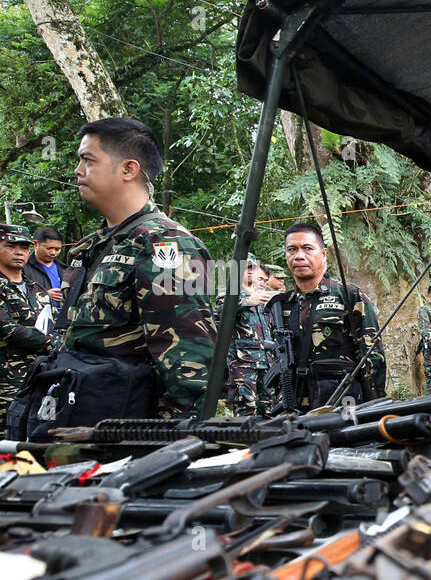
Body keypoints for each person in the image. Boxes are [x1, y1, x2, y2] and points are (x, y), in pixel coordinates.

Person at [15, 118, 216, 430]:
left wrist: (181, 444)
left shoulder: (165, 244)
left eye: (88, 160)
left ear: (128, 169)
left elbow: (186, 366)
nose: (78, 171)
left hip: (126, 433)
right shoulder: (88, 248)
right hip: (75, 418)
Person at [271, 221, 386, 410]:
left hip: (341, 403)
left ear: (323, 254)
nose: (299, 256)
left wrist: (375, 405)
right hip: (293, 405)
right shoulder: (281, 304)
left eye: (307, 248)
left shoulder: (349, 296)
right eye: (292, 249)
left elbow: (372, 357)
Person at [0, 224, 51, 427]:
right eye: (11, 246)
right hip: (6, 380)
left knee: (35, 432)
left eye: (24, 247)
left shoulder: (36, 288)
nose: (19, 252)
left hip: (39, 374)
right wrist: (51, 342)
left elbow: (53, 320)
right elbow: (7, 328)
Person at [226, 260, 277, 416]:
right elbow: (221, 314)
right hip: (243, 363)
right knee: (246, 409)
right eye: (245, 267)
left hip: (266, 362)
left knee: (269, 410)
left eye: (252, 268)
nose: (249, 271)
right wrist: (247, 302)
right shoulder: (230, 293)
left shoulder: (261, 297)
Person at [23, 227, 64, 332]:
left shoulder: (65, 269)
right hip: (36, 324)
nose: (53, 253)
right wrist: (44, 296)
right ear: (35, 244)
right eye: (49, 248)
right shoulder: (23, 268)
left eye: (57, 249)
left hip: (62, 321)